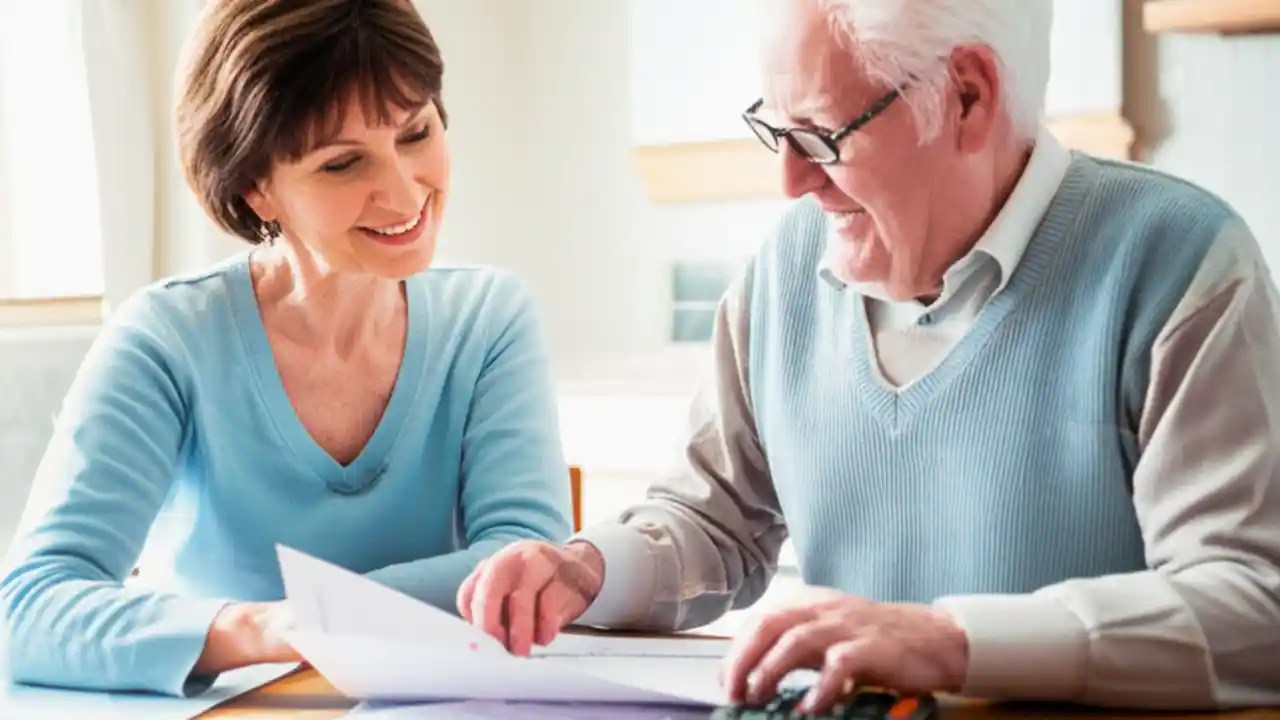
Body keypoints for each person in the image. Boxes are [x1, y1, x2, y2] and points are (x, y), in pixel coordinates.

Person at [458, 0, 1280, 714]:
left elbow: (1252, 608)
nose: (788, 181)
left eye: (819, 135)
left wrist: (955, 642)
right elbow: (713, 522)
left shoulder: (1181, 265)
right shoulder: (780, 277)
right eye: (775, 128)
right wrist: (586, 569)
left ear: (967, 95)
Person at [0, 0, 571, 697]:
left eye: (416, 133)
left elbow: (528, 570)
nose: (402, 190)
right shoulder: (168, 339)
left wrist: (326, 614)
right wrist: (266, 630)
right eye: (342, 164)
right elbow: (28, 608)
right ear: (257, 188)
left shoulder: (486, 318)